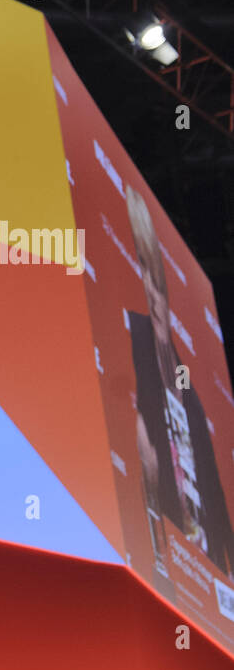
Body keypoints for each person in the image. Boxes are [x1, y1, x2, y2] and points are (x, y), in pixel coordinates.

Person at [127, 184, 234, 583]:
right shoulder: (133, 336)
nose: (154, 295)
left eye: (159, 278)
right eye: (145, 274)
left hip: (205, 574)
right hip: (162, 561)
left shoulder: (186, 376)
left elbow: (212, 479)